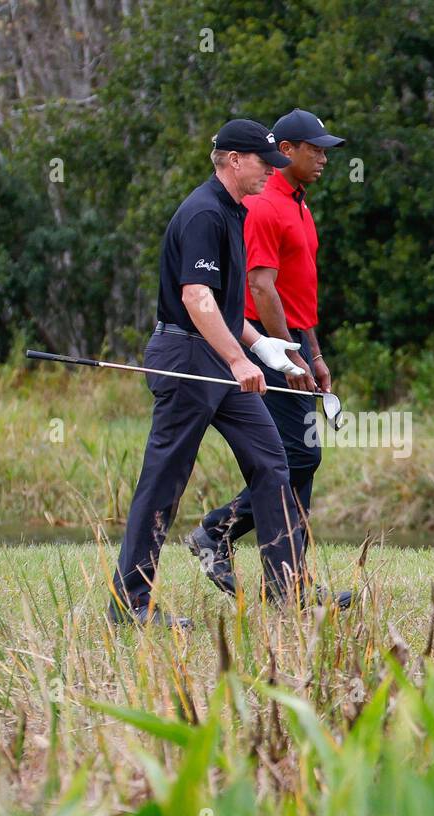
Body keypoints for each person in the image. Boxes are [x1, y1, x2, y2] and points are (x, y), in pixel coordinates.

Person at [109, 119, 315, 629]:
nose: (272, 172)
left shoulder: (233, 212)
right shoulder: (204, 212)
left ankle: (286, 590)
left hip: (216, 354)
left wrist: (262, 345)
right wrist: (240, 360)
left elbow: (221, 308)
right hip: (187, 361)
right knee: (163, 481)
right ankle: (131, 604)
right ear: (235, 160)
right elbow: (195, 299)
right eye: (265, 163)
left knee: (273, 462)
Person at [187, 109, 348, 603]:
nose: (322, 157)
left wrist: (315, 354)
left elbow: (301, 292)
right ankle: (228, 539)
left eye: (325, 149)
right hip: (267, 346)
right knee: (296, 456)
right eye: (314, 148)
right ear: (288, 150)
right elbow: (260, 285)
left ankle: (281, 578)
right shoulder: (264, 205)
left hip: (294, 338)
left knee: (294, 460)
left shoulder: (300, 205)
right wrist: (289, 357)